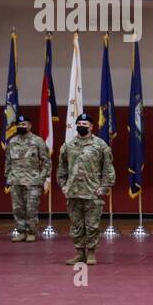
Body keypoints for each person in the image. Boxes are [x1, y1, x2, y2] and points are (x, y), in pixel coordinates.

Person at [57, 112, 114, 266]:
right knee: (76, 225)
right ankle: (79, 253)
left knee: (92, 225)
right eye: (79, 124)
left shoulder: (100, 145)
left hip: (92, 192)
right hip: (73, 192)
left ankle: (91, 253)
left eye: (85, 125)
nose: (81, 127)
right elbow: (61, 169)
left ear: (91, 127)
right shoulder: (68, 146)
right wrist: (63, 185)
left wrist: (104, 187)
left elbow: (108, 169)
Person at [4, 115, 51, 242]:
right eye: (19, 125)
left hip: (33, 181)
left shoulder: (37, 141)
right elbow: (8, 162)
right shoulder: (12, 142)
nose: (21, 127)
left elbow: (46, 161)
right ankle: (21, 231)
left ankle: (31, 231)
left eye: (24, 124)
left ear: (30, 126)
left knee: (31, 208)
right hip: (15, 181)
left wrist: (41, 179)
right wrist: (8, 177)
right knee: (18, 208)